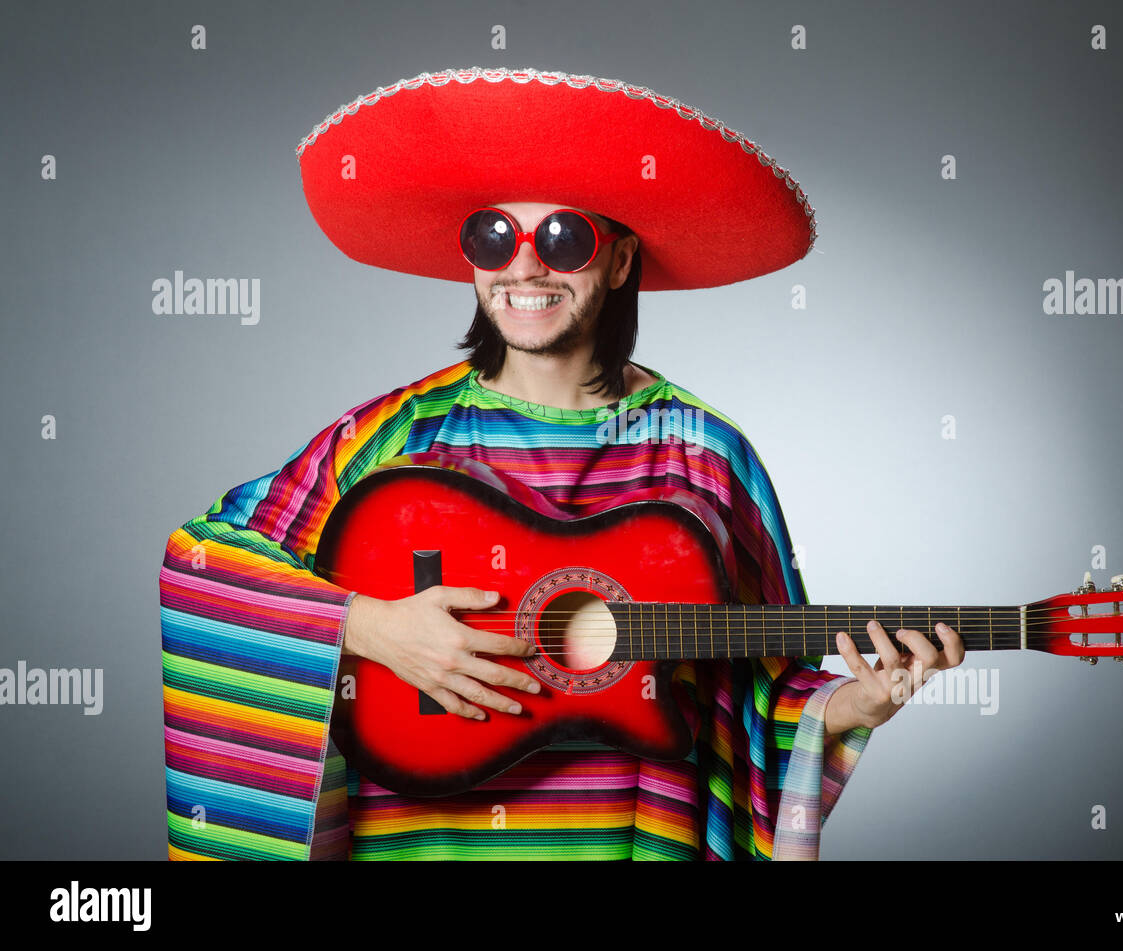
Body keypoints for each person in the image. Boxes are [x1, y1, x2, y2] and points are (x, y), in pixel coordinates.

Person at [158, 66, 963, 861]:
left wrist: (852, 705)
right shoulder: (396, 433)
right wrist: (375, 629)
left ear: (619, 261)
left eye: (563, 238)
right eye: (493, 236)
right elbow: (204, 563)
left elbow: (759, 700)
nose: (524, 268)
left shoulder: (707, 453)